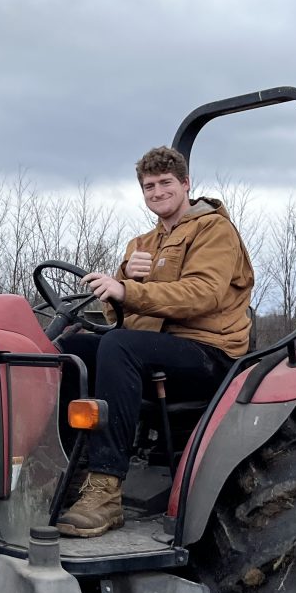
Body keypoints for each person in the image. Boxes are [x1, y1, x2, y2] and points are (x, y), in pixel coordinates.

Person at [56, 146, 254, 538]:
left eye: (166, 183)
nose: (158, 191)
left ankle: (106, 490)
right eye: (150, 186)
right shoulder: (141, 244)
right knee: (70, 352)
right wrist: (122, 279)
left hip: (208, 353)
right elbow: (118, 317)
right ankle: (68, 472)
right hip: (154, 350)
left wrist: (129, 290)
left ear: (185, 184)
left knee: (119, 347)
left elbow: (204, 294)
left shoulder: (214, 230)